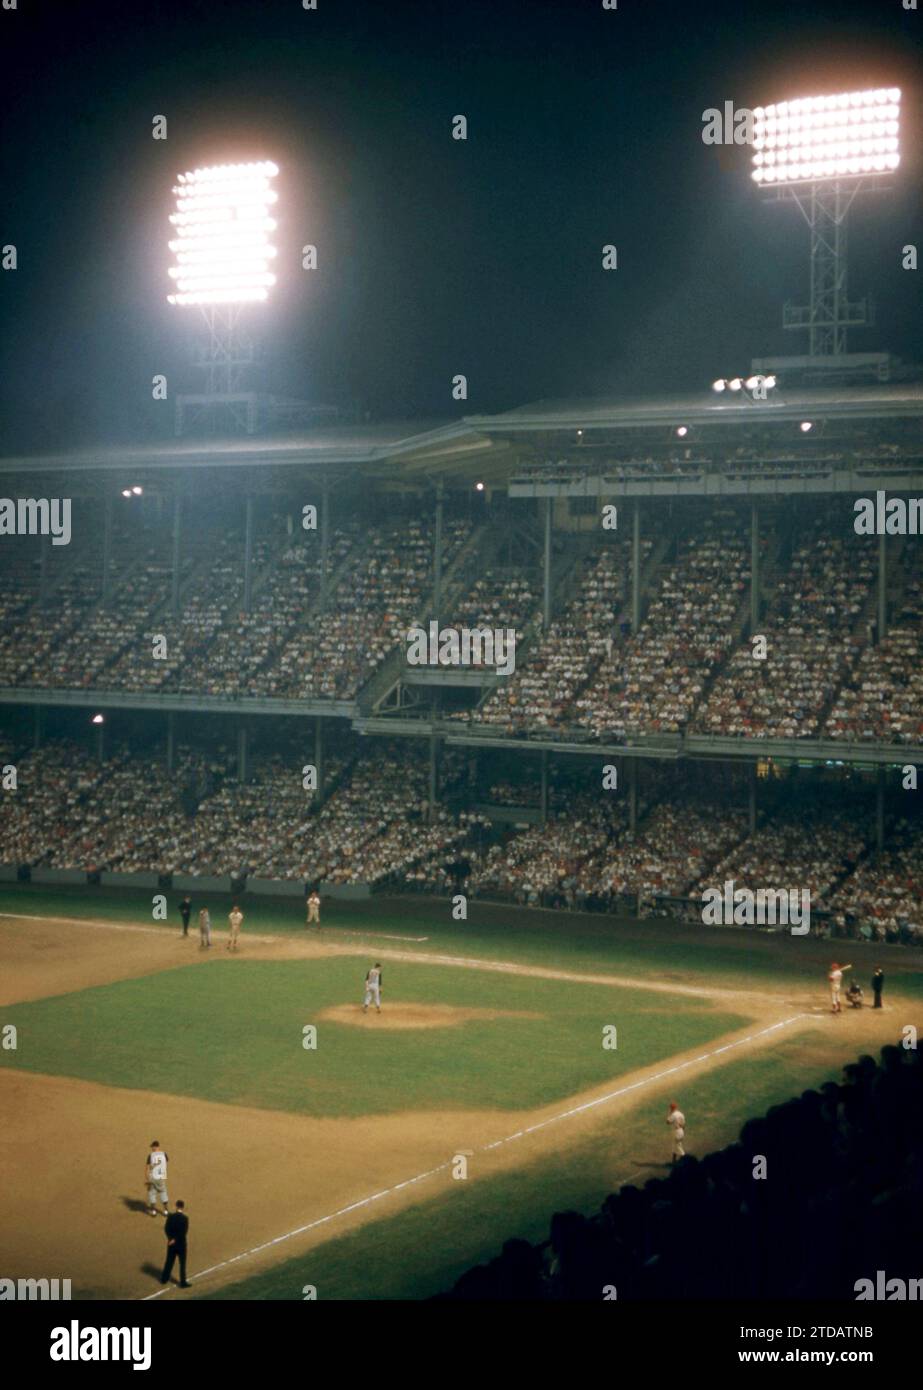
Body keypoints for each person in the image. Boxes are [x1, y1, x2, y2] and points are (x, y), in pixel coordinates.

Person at [160, 1200, 190, 1288]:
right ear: (183, 1207)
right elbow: (183, 1232)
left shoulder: (171, 1217)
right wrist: (175, 1239)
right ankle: (183, 1282)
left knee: (169, 1262)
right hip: (181, 1244)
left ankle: (164, 1279)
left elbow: (166, 1229)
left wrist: (170, 1239)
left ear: (176, 1206)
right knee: (182, 1264)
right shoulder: (185, 1218)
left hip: (171, 1244)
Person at [146, 1141, 169, 1218]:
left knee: (152, 1193)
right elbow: (166, 1162)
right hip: (161, 1177)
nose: (152, 1148)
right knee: (163, 1192)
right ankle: (165, 1211)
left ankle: (153, 1211)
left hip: (153, 1177)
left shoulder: (150, 1155)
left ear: (155, 1146)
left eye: (152, 1147)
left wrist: (147, 1179)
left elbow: (147, 1168)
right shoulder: (164, 1154)